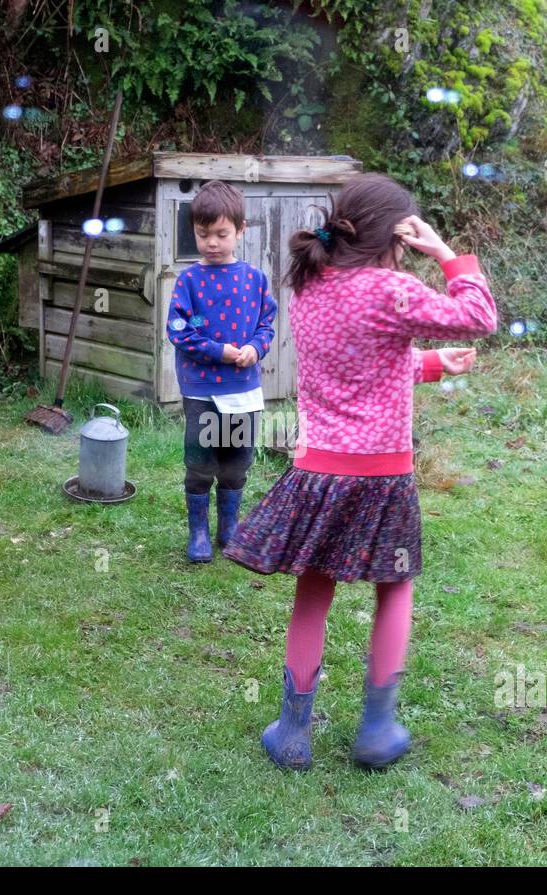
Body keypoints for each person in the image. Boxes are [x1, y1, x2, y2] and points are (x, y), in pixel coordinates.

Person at [223, 172, 497, 769]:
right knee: (393, 588)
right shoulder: (391, 290)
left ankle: (293, 734)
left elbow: (358, 360)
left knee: (313, 591)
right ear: (400, 234)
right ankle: (376, 731)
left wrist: (427, 363)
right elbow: (478, 315)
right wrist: (447, 254)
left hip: (320, 471)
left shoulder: (310, 287)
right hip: (383, 474)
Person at [165, 181, 276, 562]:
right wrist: (220, 352)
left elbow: (267, 324)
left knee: (237, 459)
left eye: (221, 234)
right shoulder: (189, 281)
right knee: (201, 461)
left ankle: (228, 528)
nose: (212, 242)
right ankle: (198, 533)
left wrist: (254, 347)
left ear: (240, 230)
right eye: (202, 234)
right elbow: (178, 330)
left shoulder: (255, 280)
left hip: (243, 389)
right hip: (202, 390)